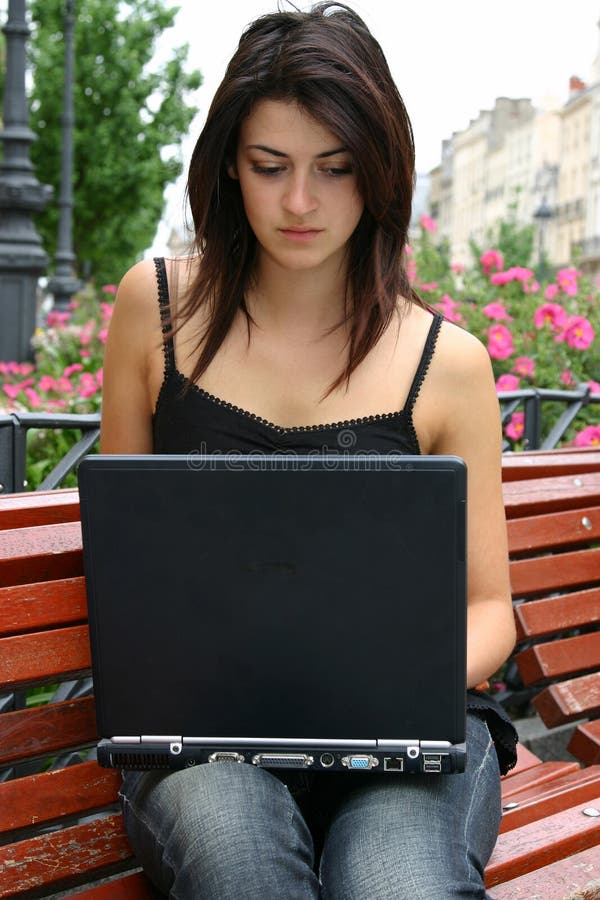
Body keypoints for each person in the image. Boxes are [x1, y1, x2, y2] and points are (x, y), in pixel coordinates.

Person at [99, 3, 518, 897]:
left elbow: (491, 609)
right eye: (270, 166)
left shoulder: (446, 364)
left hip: (406, 736)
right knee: (239, 867)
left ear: (379, 174)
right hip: (201, 737)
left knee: (398, 886)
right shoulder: (155, 310)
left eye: (334, 169)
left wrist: (376, 687)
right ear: (227, 169)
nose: (300, 202)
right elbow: (123, 564)